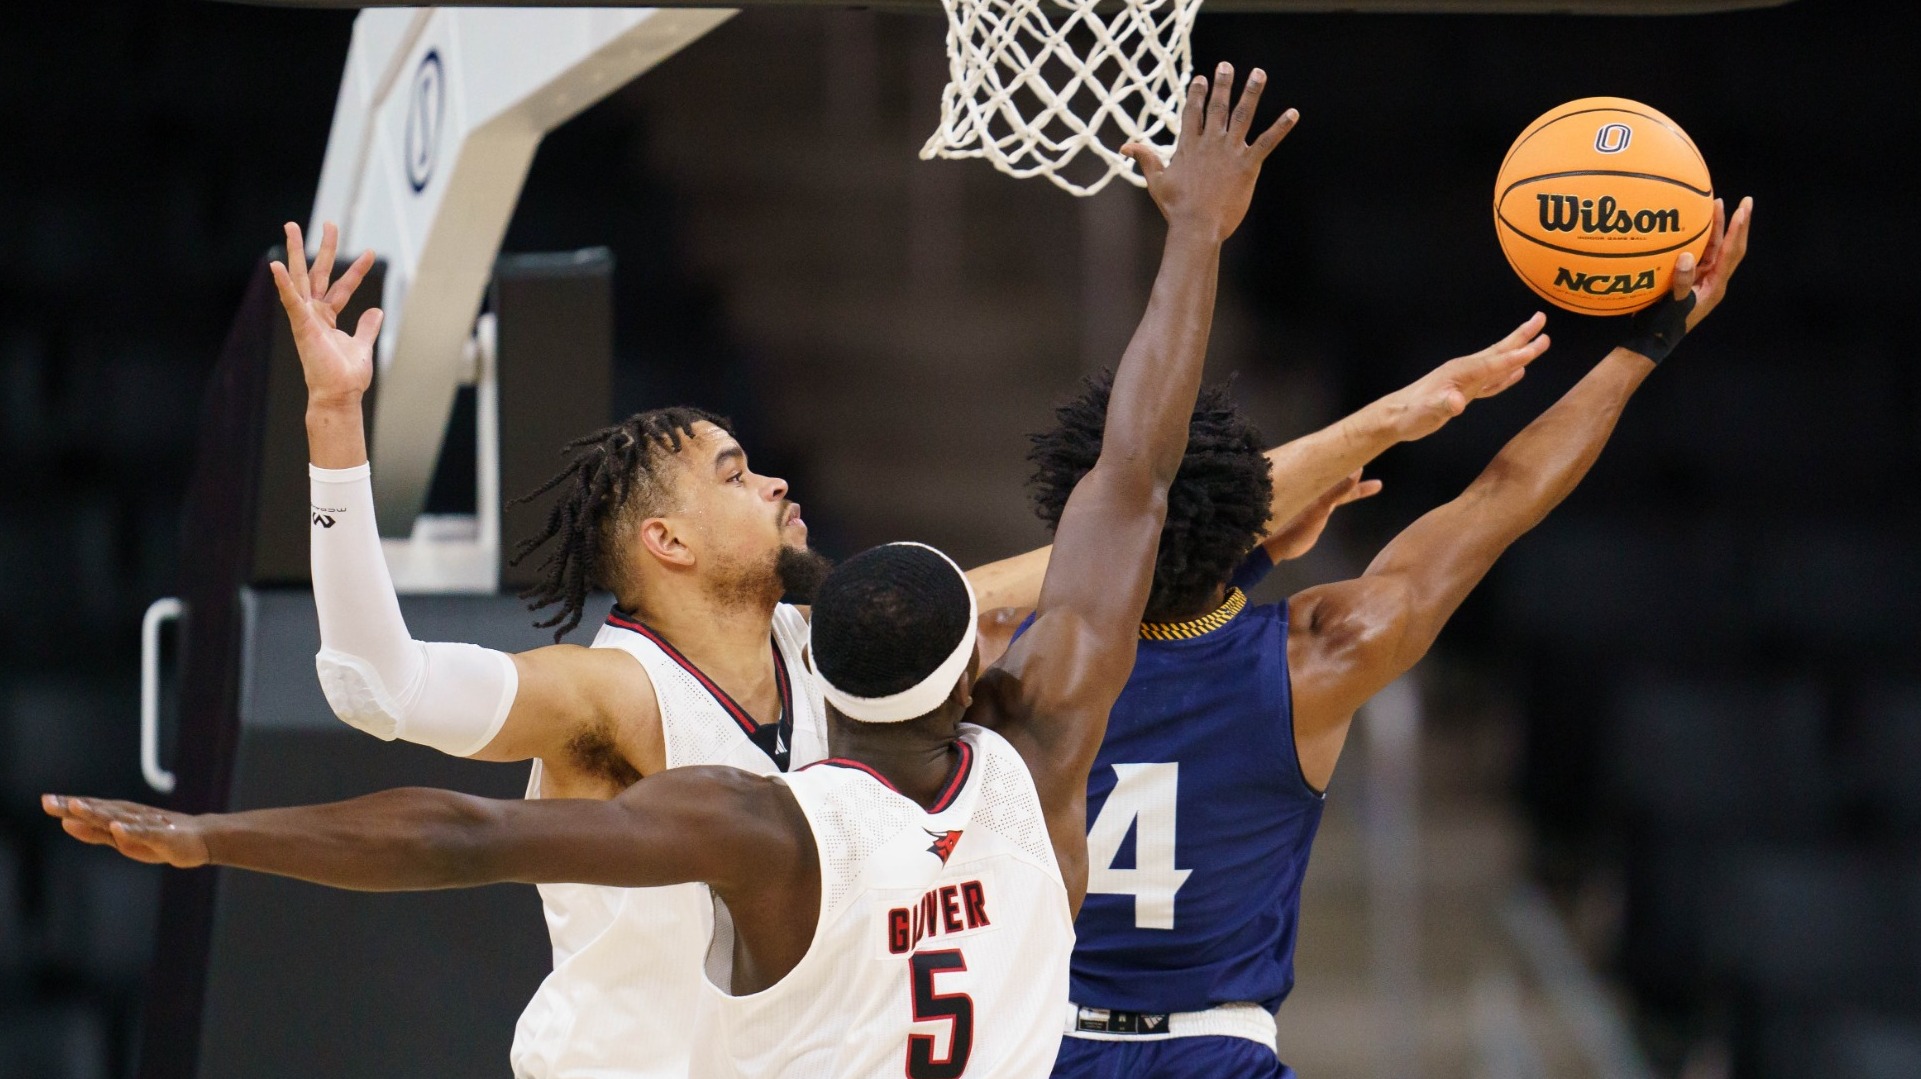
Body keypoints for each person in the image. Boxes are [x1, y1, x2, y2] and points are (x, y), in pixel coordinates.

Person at [49, 64, 1296, 1078]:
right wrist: (335, 428)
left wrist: (1317, 457)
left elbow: (1092, 531)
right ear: (667, 542)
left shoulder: (820, 664)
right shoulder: (614, 693)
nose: (776, 481)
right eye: (736, 470)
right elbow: (380, 692)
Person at [1013, 197, 1753, 1079]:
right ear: (1243, 515)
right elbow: (1501, 496)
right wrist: (1648, 342)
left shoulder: (1006, 663)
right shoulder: (1321, 650)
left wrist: (1243, 555)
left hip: (1042, 1047)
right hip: (1215, 1050)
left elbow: (1097, 559)